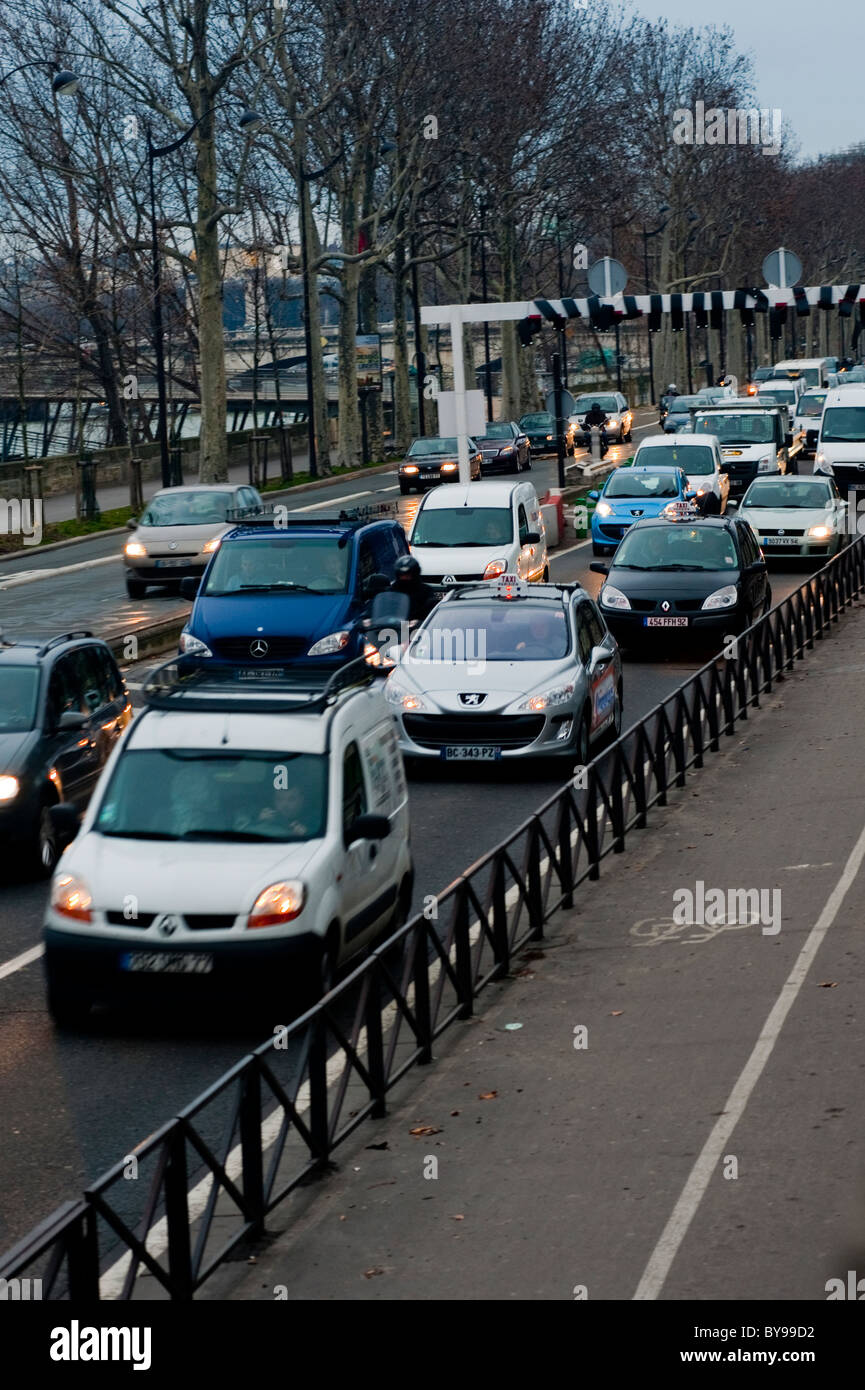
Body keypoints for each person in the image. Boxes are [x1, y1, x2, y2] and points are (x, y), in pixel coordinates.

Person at [391, 554, 438, 622]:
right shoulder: (392, 591)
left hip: (416, 628)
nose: (404, 578)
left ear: (415, 574)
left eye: (408, 575)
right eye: (402, 575)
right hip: (393, 626)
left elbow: (431, 613)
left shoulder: (426, 591)